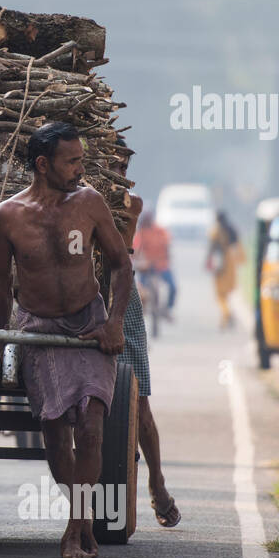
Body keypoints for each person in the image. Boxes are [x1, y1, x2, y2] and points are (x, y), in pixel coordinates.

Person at [0, 122, 133, 558]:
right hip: (40, 328)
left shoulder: (89, 203)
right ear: (42, 164)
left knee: (91, 426)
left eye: (81, 159)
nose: (79, 169)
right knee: (54, 431)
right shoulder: (7, 216)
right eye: (71, 161)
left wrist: (114, 323)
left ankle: (76, 528)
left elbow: (121, 265)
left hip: (88, 323)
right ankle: (83, 517)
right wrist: (2, 342)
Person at [117, 189, 181, 528]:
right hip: (67, 301)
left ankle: (157, 481)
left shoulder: (120, 203)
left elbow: (125, 256)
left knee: (139, 401)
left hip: (119, 295)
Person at [206, 210, 244, 330]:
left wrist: (208, 261)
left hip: (220, 263)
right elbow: (239, 246)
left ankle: (227, 314)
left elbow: (212, 247)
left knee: (219, 294)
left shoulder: (215, 231)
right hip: (230, 262)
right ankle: (224, 318)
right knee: (226, 293)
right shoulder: (232, 229)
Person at [132, 211, 175, 318]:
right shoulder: (141, 232)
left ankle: (167, 309)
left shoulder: (160, 231)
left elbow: (168, 242)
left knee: (173, 287)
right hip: (147, 266)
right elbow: (136, 249)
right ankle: (142, 309)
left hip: (161, 265)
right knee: (139, 291)